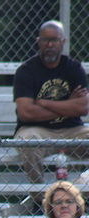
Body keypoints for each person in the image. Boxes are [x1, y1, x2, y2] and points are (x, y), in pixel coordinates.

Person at [13, 21, 89, 184]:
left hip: (72, 130)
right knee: (27, 142)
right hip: (37, 130)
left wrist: (43, 103)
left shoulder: (74, 68)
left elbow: (82, 108)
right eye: (45, 40)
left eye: (54, 40)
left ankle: (83, 189)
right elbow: (26, 112)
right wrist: (68, 105)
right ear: (38, 42)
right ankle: (40, 199)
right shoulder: (26, 70)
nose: (49, 44)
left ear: (63, 42)